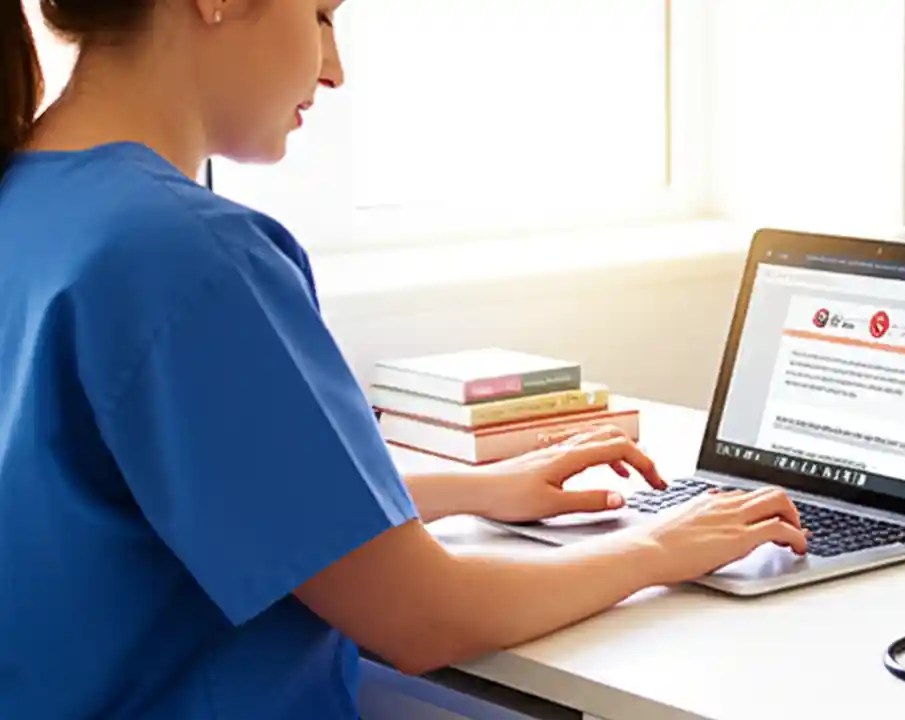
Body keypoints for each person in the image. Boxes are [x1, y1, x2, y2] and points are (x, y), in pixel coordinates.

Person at [0, 1, 809, 718]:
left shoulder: (33, 206)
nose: (336, 69)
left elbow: (179, 497)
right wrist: (661, 547)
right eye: (321, 15)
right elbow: (423, 616)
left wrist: (476, 488)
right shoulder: (185, 254)